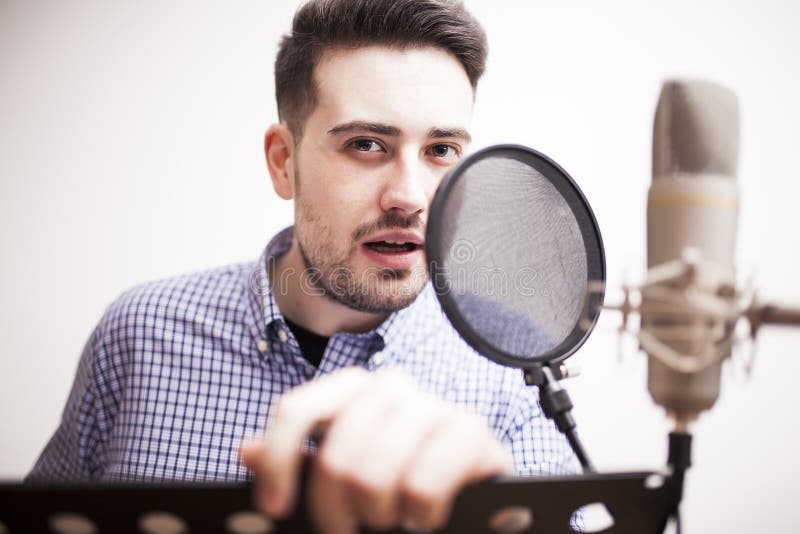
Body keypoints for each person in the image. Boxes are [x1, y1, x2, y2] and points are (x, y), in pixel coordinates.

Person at [28, 0, 578, 531]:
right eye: (367, 144)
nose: (410, 197)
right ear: (283, 162)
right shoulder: (138, 334)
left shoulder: (512, 366)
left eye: (440, 151)